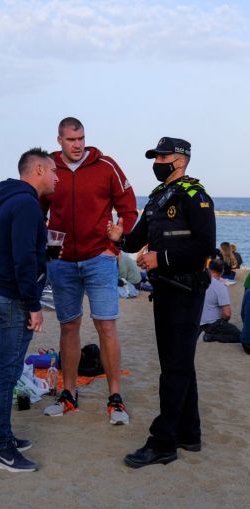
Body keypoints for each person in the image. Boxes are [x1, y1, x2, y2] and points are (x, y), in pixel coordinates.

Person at [107, 136, 215, 468]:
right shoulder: (157, 198)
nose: (157, 161)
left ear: (180, 160)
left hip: (185, 291)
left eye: (162, 156)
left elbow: (204, 247)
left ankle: (163, 441)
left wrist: (160, 258)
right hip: (164, 291)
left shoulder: (196, 197)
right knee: (180, 364)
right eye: (155, 156)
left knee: (174, 368)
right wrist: (119, 238)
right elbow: (136, 239)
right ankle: (189, 432)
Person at [42, 117, 137, 424]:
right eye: (71, 139)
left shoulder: (105, 165)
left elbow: (128, 207)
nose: (78, 144)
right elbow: (36, 208)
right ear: (59, 140)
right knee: (68, 326)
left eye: (81, 138)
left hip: (100, 257)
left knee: (106, 327)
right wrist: (45, 251)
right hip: (62, 261)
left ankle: (115, 399)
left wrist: (117, 242)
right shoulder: (49, 167)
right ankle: (68, 394)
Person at [0, 149, 57, 472]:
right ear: (38, 169)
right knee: (6, 373)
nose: (56, 178)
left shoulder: (5, 201)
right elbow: (23, 258)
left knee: (1, 369)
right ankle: (0, 449)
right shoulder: (27, 204)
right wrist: (34, 305)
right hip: (13, 299)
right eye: (53, 172)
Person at [199, 260, 240, 343]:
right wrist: (224, 321)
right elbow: (227, 314)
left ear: (209, 268)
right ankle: (210, 337)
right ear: (222, 271)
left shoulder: (200, 281)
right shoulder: (220, 286)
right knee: (239, 336)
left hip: (198, 320)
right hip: (212, 323)